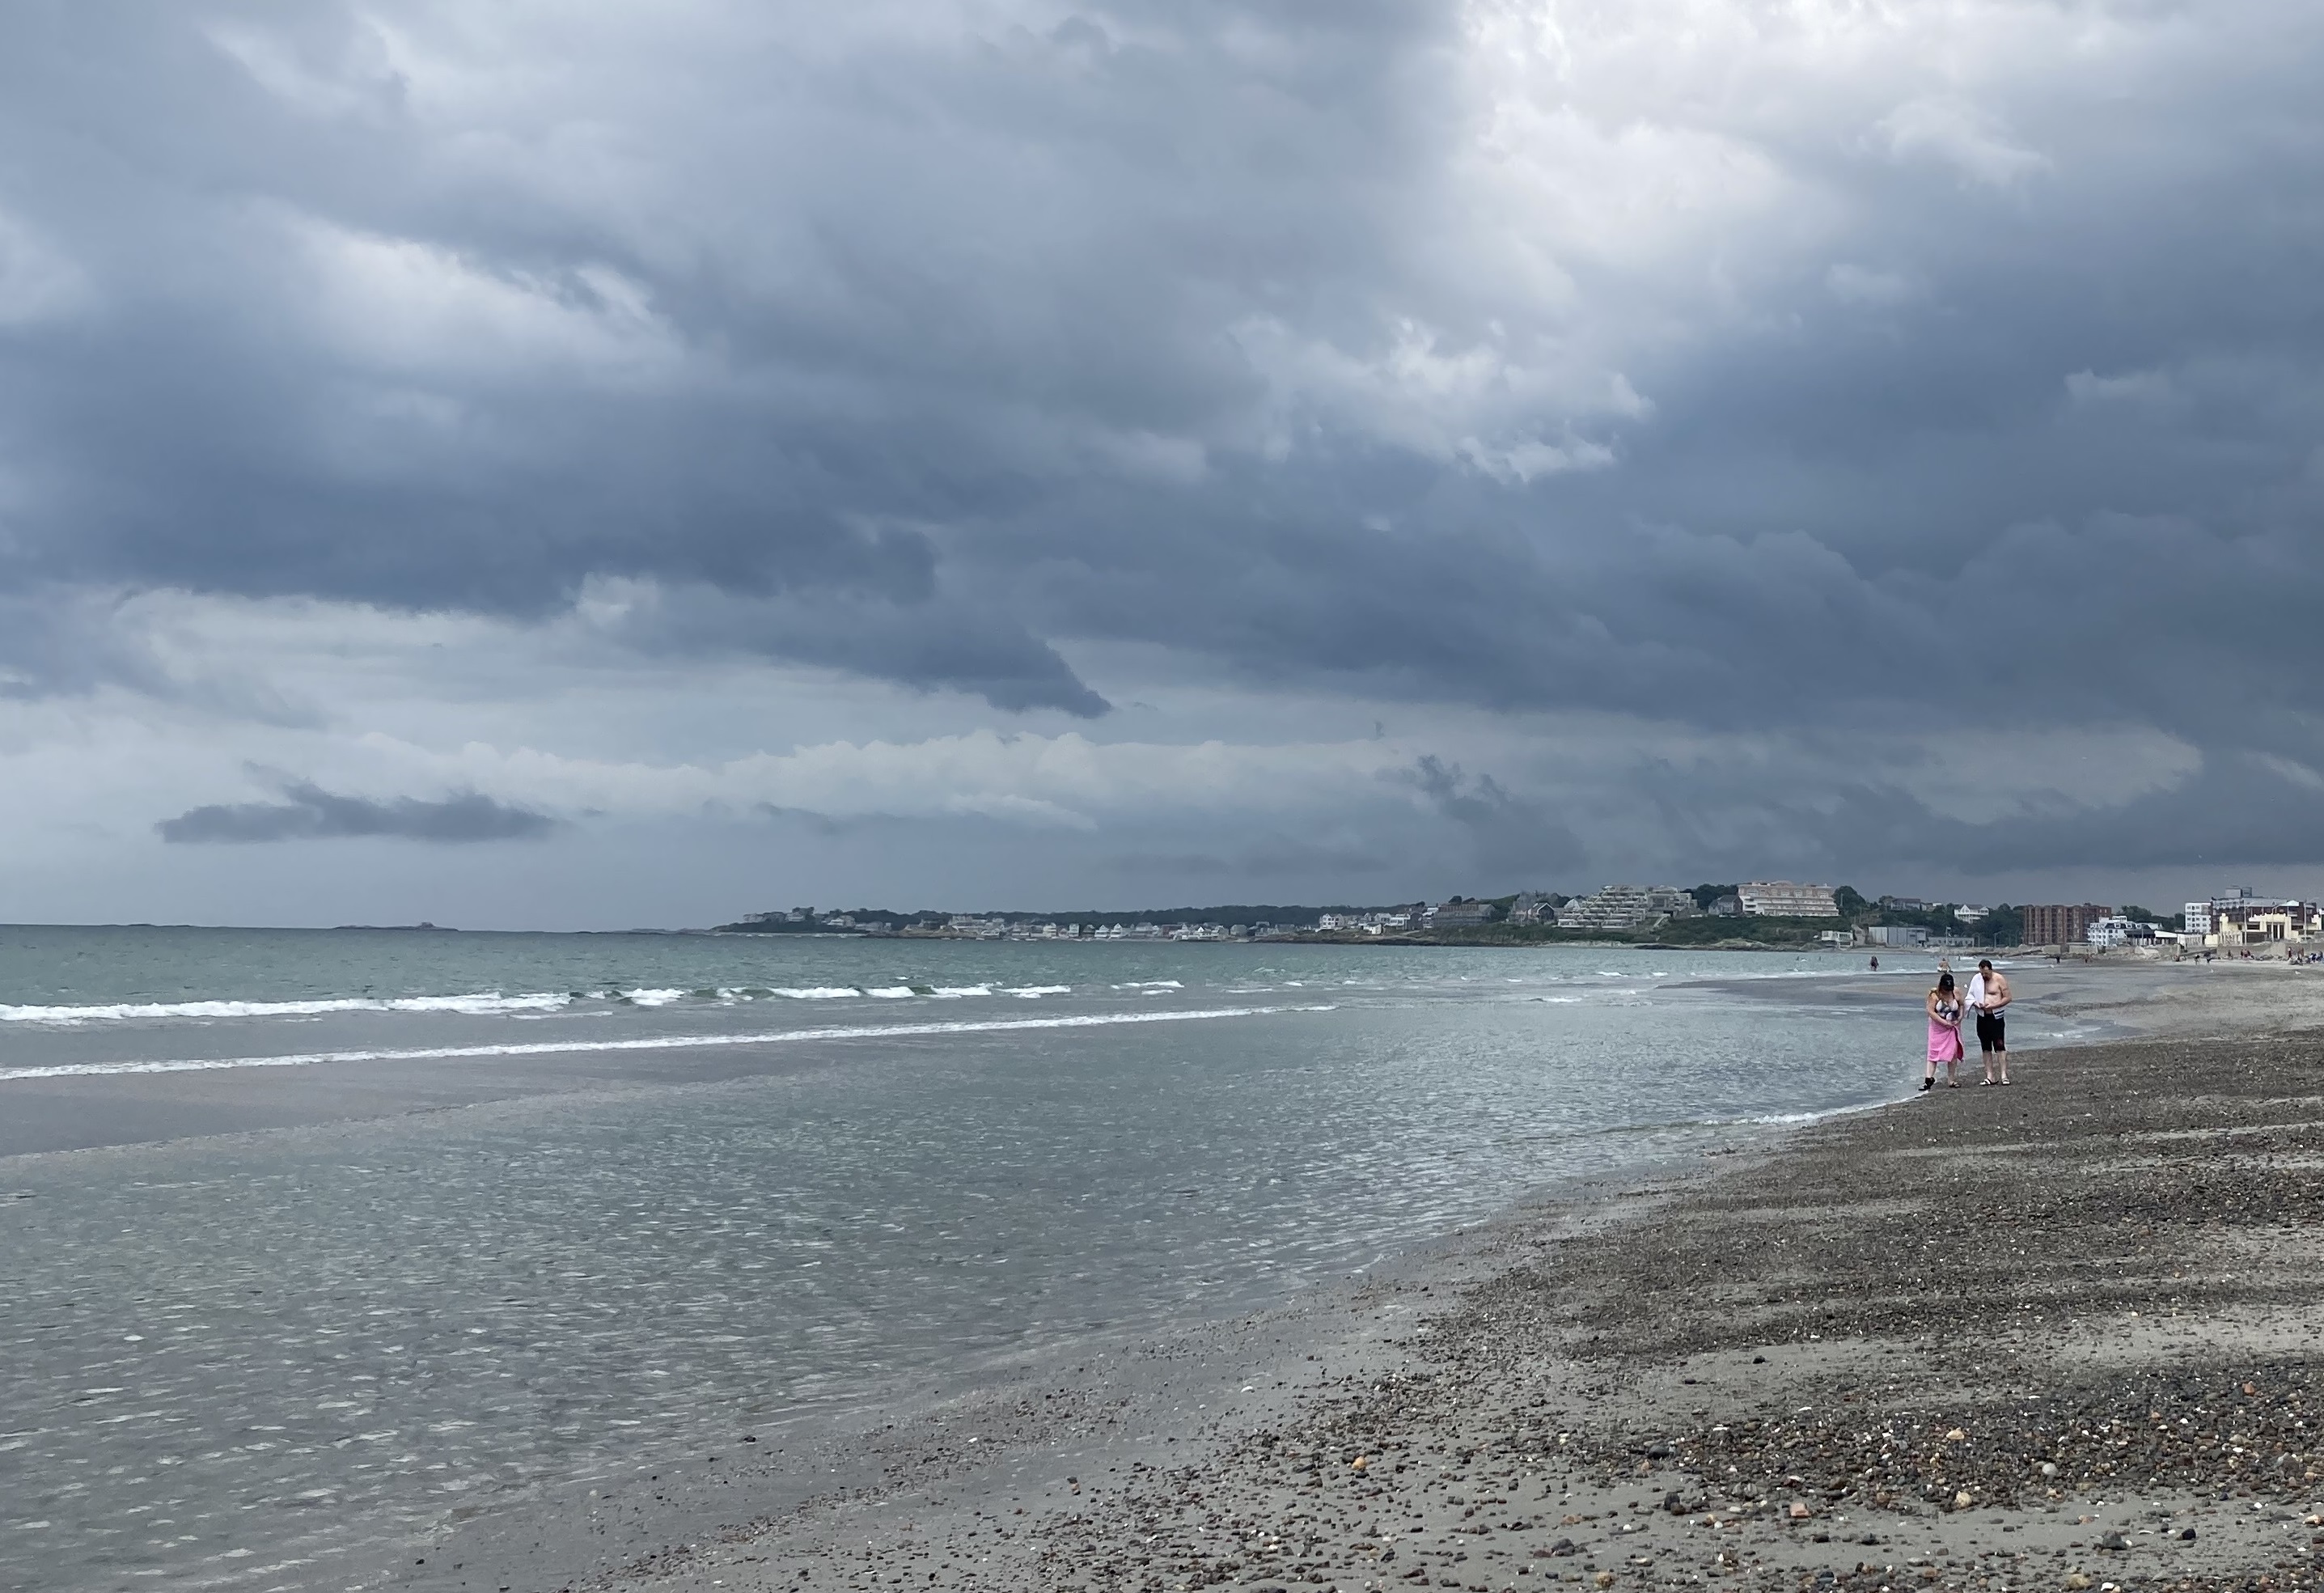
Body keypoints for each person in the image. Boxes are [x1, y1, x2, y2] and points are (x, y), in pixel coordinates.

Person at [1966, 958, 2011, 1084]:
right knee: (1985, 1047)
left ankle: (2004, 1075)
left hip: (1996, 1017)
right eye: (1982, 973)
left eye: (1987, 973)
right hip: (1982, 1016)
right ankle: (1990, 1075)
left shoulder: (1999, 979)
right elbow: (1970, 996)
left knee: (2000, 1045)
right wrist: (1975, 1004)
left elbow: (2008, 997)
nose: (1985, 976)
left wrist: (1994, 1006)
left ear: (1991, 970)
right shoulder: (1977, 980)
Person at [1924, 972, 1964, 1091]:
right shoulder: (1934, 995)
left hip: (1952, 1027)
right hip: (1938, 1028)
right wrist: (1943, 1023)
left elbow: (1961, 1005)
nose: (1947, 992)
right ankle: (1928, 1078)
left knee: (1953, 1053)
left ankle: (1951, 1080)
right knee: (1933, 1053)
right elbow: (1931, 1012)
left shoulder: (1956, 992)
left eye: (1949, 989)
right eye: (1945, 989)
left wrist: (1960, 1017)